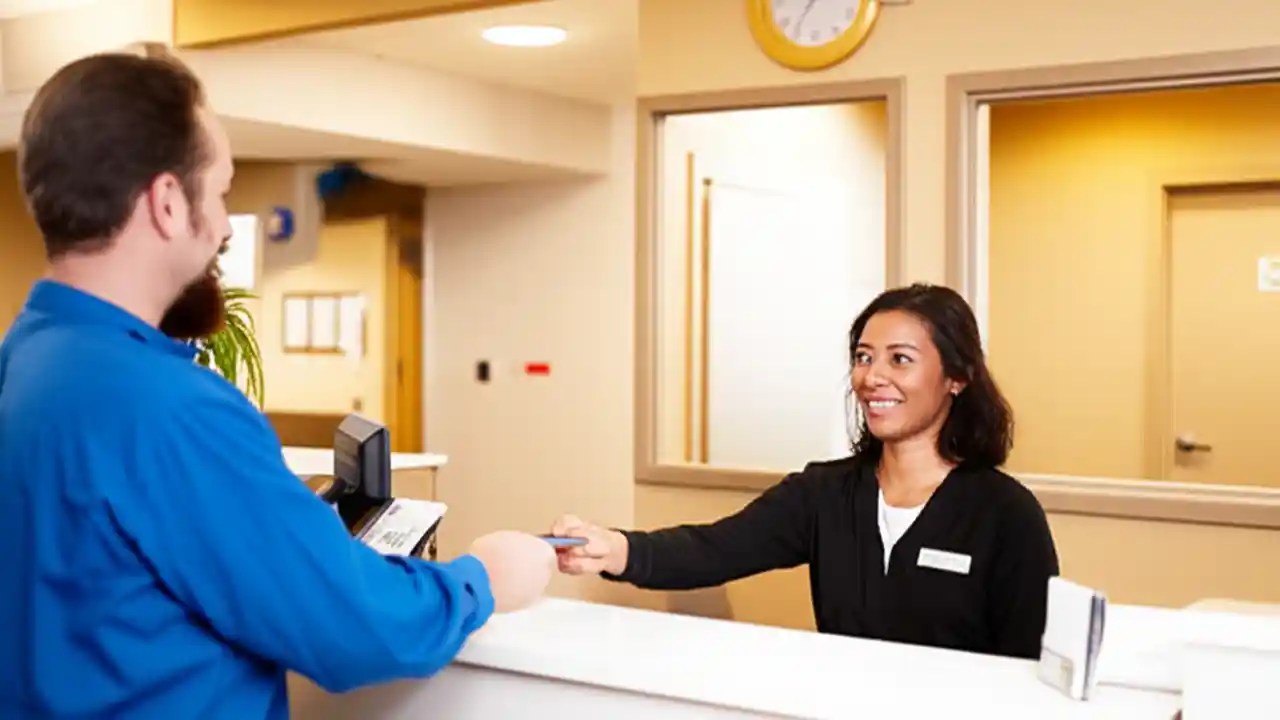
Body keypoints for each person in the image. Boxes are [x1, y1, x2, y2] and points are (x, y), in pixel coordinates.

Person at [0, 51, 555, 719]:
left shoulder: (26, 361)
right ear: (170, 203)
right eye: (223, 191)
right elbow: (355, 630)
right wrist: (486, 576)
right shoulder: (170, 407)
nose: (228, 226)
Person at [552, 283, 1060, 660]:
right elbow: (715, 548)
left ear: (956, 377)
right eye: (864, 357)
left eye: (900, 359)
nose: (873, 377)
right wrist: (613, 548)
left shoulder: (1005, 513)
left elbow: (1032, 663)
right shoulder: (824, 494)